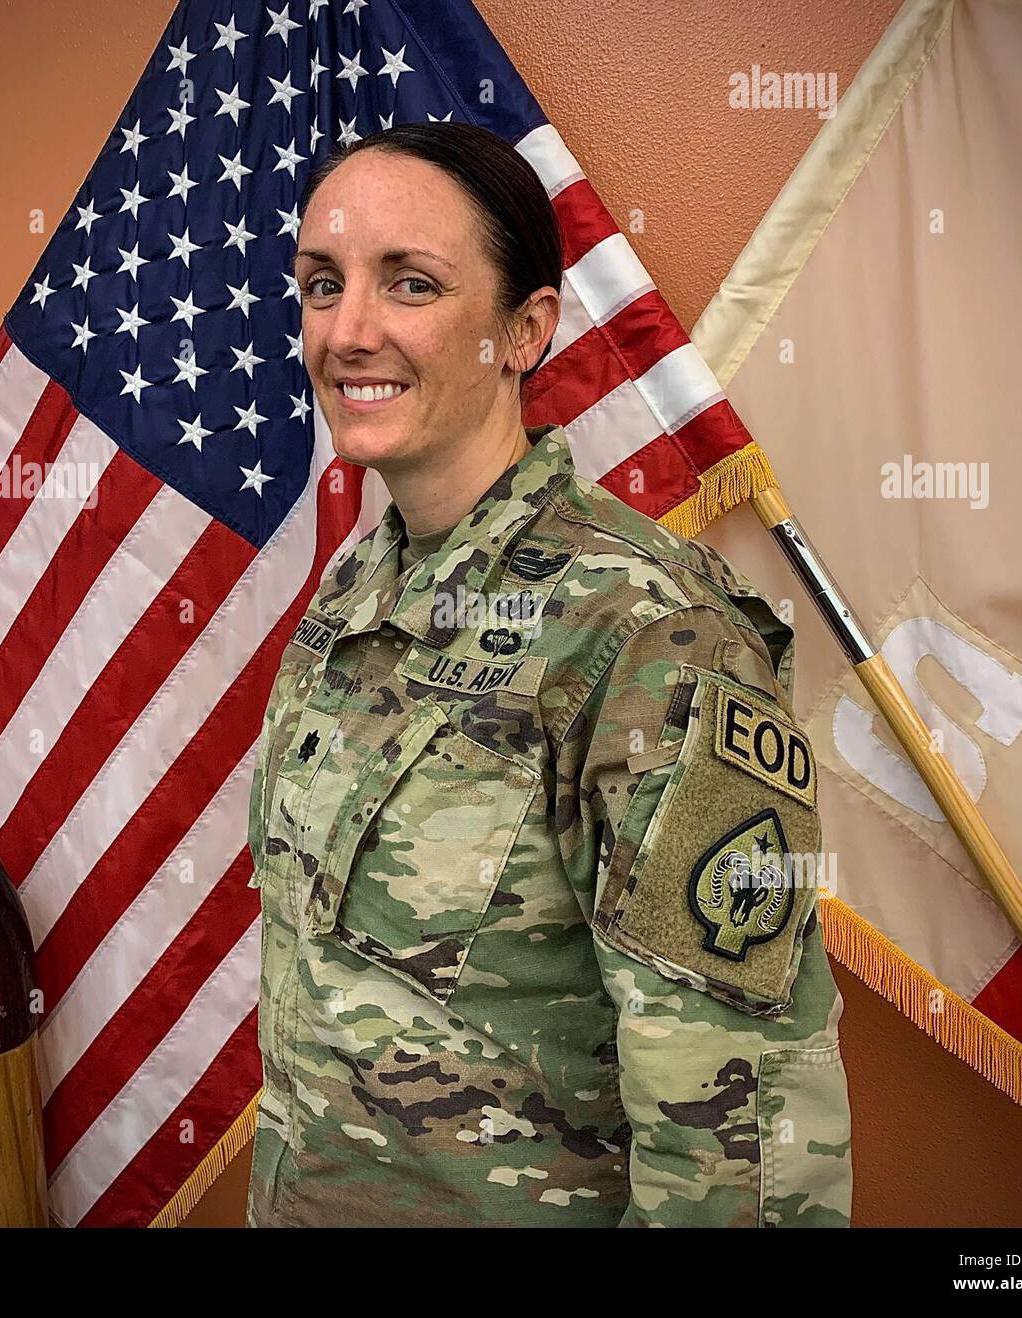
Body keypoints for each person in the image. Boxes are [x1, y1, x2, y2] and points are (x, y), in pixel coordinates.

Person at [246, 121, 851, 1227]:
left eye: (411, 284)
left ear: (525, 329)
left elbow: (740, 1142)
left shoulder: (650, 637)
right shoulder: (356, 591)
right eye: (320, 285)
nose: (348, 331)